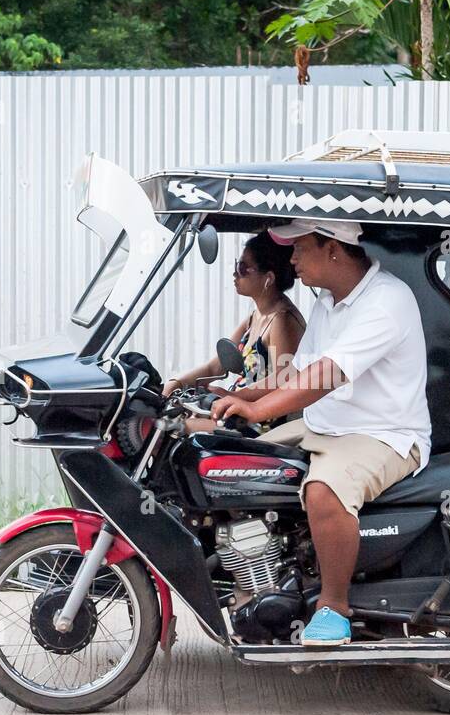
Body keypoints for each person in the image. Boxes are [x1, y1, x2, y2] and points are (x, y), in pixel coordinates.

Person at [211, 219, 431, 646]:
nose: (292, 260)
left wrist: (257, 407)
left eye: (300, 248)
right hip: (325, 425)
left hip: (383, 435)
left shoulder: (386, 301)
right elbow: (296, 372)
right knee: (232, 466)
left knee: (323, 492)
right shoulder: (327, 302)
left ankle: (334, 608)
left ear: (333, 247)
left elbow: (325, 376)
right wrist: (235, 395)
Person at [162, 234, 305, 434]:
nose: (235, 274)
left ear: (268, 279)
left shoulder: (282, 320)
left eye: (243, 268)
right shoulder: (255, 317)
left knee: (174, 429)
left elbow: (285, 378)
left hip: (265, 422)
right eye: (238, 265)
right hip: (240, 411)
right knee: (169, 419)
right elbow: (214, 367)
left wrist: (234, 395)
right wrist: (175, 383)